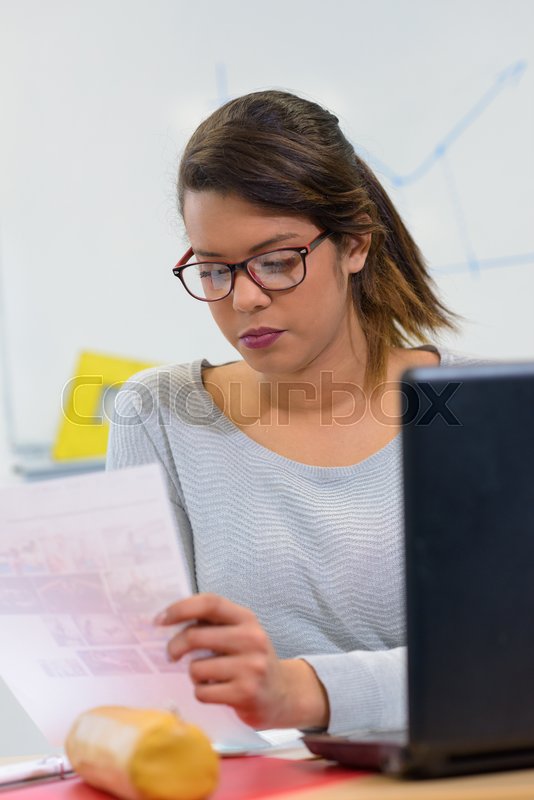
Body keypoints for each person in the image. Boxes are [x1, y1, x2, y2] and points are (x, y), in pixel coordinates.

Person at [107, 90, 478, 734]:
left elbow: (511, 658)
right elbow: (147, 681)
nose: (244, 299)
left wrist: (305, 692)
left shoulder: (487, 407)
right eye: (214, 270)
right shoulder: (157, 414)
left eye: (277, 262)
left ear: (355, 244)